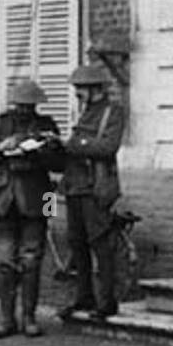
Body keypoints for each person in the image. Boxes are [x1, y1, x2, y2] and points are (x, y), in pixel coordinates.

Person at [0, 79, 62, 339]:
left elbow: (60, 165)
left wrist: (44, 149)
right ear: (14, 104)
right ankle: (5, 319)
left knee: (32, 260)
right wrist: (2, 146)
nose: (24, 111)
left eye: (29, 106)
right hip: (3, 200)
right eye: (20, 106)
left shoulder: (47, 126)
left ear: (36, 106)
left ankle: (29, 318)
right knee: (4, 262)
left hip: (39, 197)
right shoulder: (0, 124)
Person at [57, 62, 126, 321]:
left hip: (95, 189)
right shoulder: (84, 112)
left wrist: (75, 144)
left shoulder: (113, 111)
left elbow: (108, 147)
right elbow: (85, 145)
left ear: (95, 88)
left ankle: (107, 302)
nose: (77, 94)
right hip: (74, 187)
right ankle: (83, 297)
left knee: (100, 244)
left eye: (81, 89)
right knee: (77, 245)